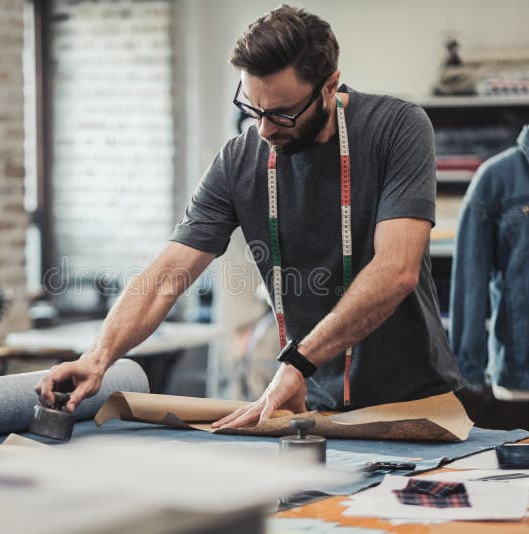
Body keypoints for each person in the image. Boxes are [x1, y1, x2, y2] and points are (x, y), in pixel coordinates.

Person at [36, 5, 462, 429]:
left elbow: (395, 271)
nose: (263, 130)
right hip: (315, 408)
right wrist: (98, 357)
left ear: (329, 86)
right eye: (253, 109)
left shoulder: (397, 129)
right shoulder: (239, 160)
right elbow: (166, 274)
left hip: (416, 405)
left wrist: (297, 363)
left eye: (281, 114)